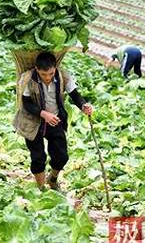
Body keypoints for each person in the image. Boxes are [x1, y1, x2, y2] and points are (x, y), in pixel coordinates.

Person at [13, 52, 93, 191]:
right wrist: (44, 114)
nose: (47, 78)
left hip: (55, 120)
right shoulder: (27, 79)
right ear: (37, 70)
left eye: (50, 73)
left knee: (62, 156)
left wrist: (83, 106)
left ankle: (53, 179)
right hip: (33, 122)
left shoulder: (63, 76)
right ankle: (41, 188)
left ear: (55, 68)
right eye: (43, 75)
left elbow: (75, 95)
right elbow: (26, 103)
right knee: (38, 157)